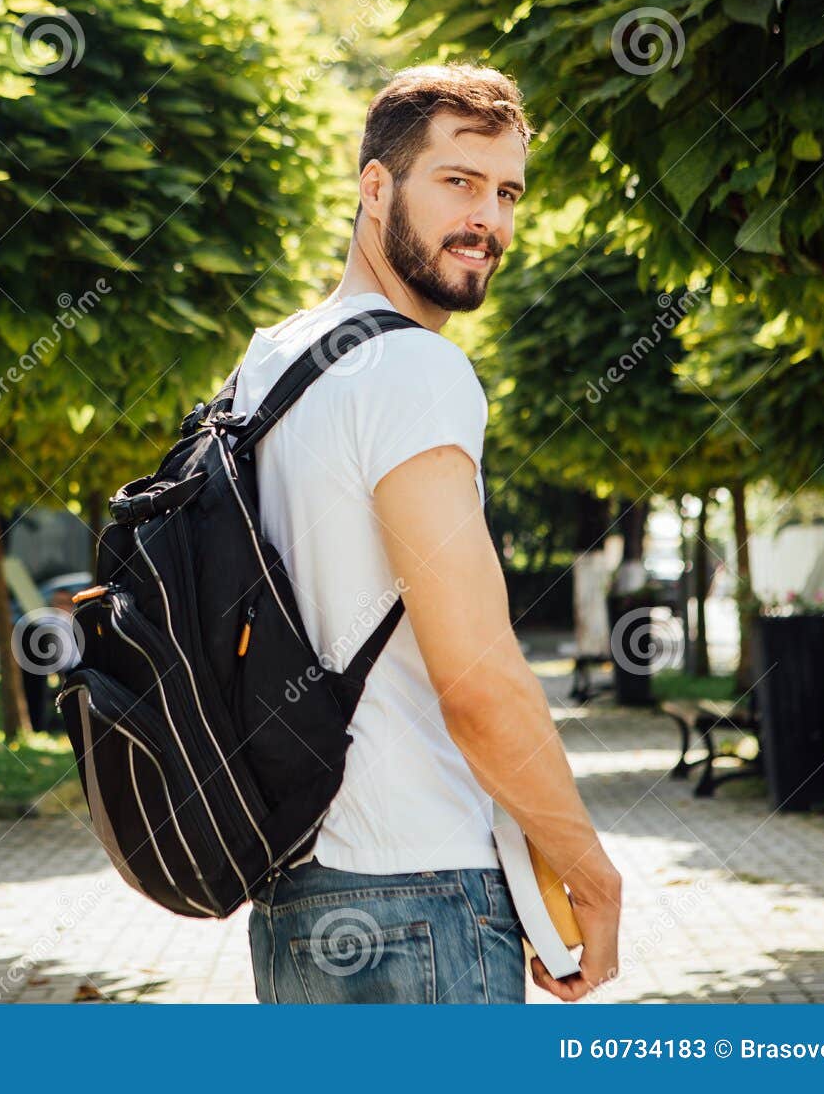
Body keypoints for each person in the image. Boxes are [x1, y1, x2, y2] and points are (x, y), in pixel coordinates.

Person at [235, 64, 622, 1004]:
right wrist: (591, 871)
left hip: (295, 891)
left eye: (506, 191)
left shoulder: (268, 363)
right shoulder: (417, 371)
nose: (486, 218)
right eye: (457, 181)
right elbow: (479, 681)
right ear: (375, 187)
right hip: (425, 898)